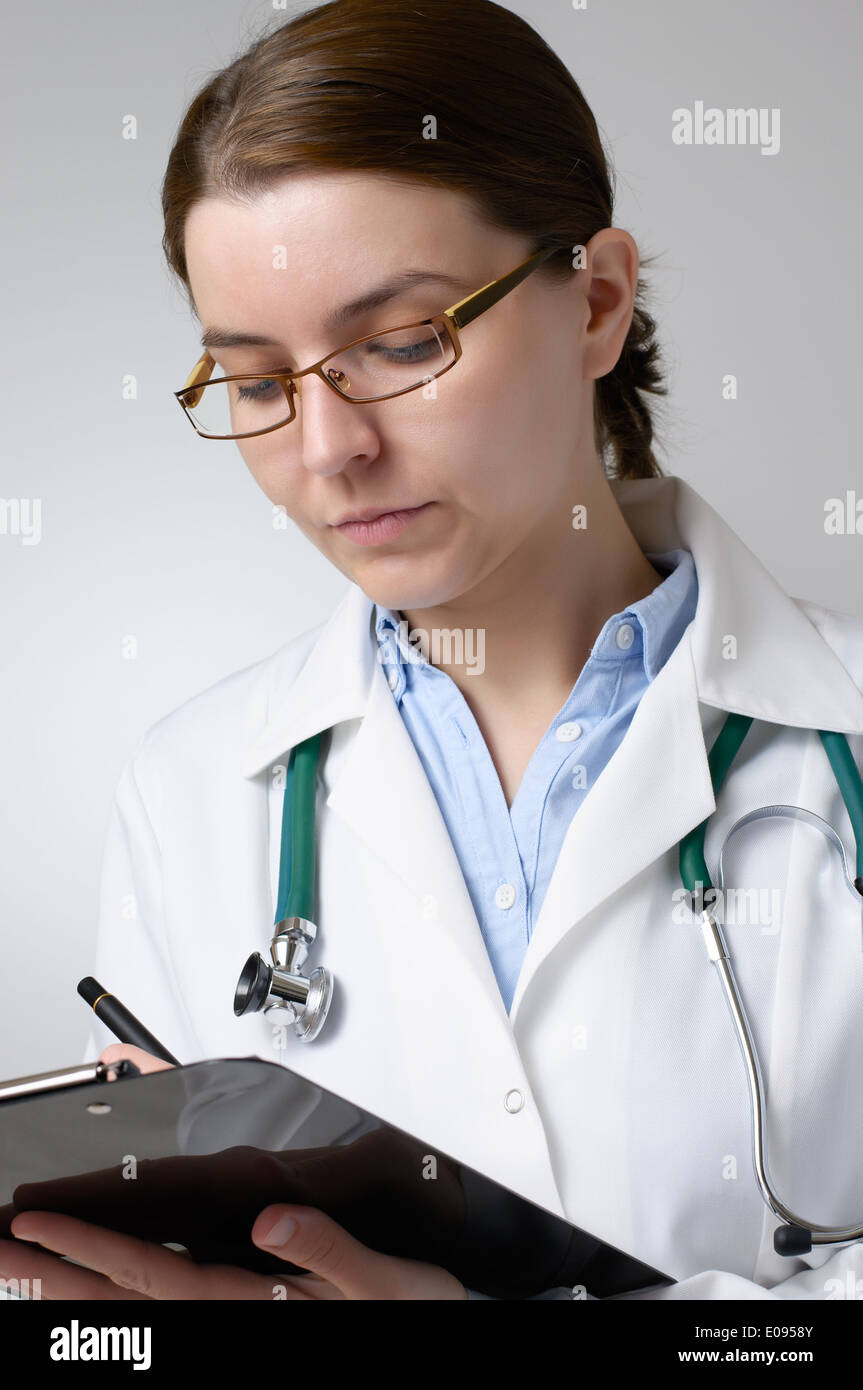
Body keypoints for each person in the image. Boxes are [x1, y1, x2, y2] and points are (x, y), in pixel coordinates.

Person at [4, 0, 863, 1301]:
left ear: (599, 302)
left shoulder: (841, 742)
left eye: (401, 344)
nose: (328, 448)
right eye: (256, 380)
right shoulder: (191, 791)